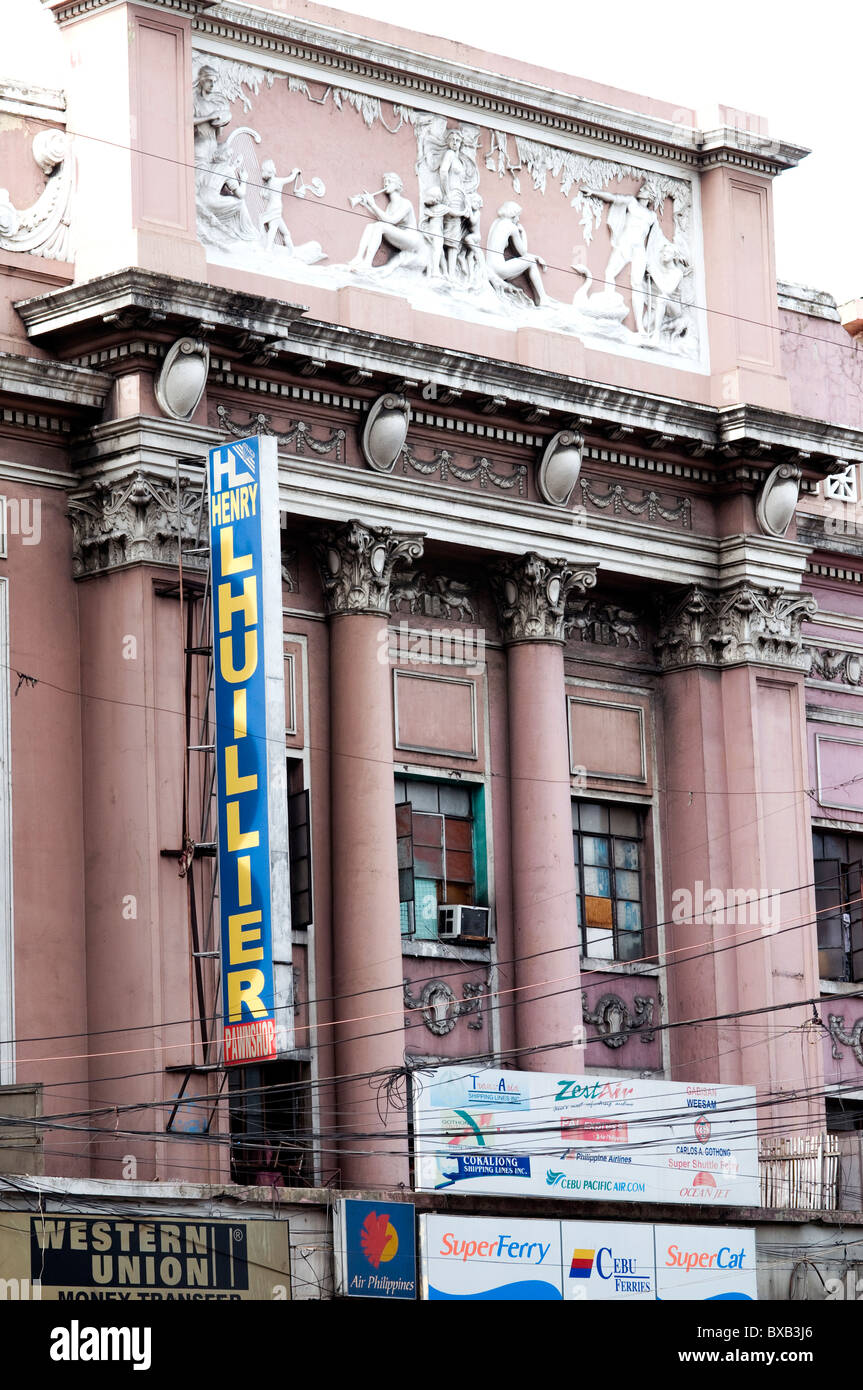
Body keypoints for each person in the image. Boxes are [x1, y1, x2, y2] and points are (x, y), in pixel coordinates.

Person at [580, 183, 659, 334]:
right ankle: (610, 305)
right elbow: (613, 198)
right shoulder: (632, 203)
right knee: (610, 272)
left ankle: (640, 328)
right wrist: (593, 191)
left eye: (646, 189)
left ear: (651, 196)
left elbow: (655, 240)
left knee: (638, 285)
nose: (641, 189)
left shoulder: (652, 216)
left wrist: (652, 262)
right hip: (625, 244)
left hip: (639, 249)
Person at [349, 173, 425, 272]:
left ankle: (367, 263)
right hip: (401, 235)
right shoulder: (390, 205)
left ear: (397, 184)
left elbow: (391, 220)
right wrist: (367, 205)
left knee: (380, 226)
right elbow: (383, 219)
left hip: (411, 238)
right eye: (385, 182)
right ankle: (359, 257)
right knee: (371, 226)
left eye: (389, 182)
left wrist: (373, 204)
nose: (385, 185)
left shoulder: (406, 203)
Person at [485, 201, 549, 305]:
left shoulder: (496, 223)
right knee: (531, 261)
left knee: (531, 259)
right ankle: (543, 299)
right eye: (517, 216)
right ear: (513, 215)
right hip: (499, 268)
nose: (518, 219)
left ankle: (541, 299)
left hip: (490, 266)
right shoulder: (511, 227)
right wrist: (523, 233)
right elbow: (523, 252)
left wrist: (536, 257)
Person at [260, 159, 301, 253]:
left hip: (272, 208)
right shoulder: (277, 181)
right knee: (274, 229)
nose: (275, 167)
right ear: (271, 170)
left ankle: (292, 253)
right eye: (273, 166)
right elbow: (290, 179)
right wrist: (295, 172)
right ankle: (268, 249)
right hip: (276, 208)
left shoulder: (268, 184)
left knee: (286, 232)